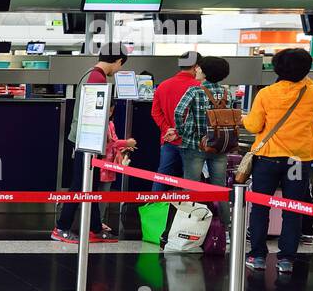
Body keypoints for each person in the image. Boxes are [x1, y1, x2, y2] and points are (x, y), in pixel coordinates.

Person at [242, 47, 313, 274]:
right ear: (306, 70)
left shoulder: (266, 94)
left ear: (277, 68)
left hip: (268, 159)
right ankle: (286, 260)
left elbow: (252, 126)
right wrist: (304, 78)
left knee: (260, 207)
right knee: (293, 209)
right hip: (298, 160)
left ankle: (257, 256)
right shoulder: (312, 93)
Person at [52, 52, 136, 243]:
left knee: (87, 185)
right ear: (118, 61)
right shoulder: (97, 78)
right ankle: (62, 227)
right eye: (120, 65)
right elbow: (95, 113)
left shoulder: (89, 73)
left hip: (84, 139)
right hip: (88, 140)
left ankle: (94, 228)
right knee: (80, 185)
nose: (118, 69)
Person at [173, 55, 233, 229]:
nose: (196, 70)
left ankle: (189, 227)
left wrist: (183, 131)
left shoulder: (194, 90)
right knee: (219, 188)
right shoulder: (226, 92)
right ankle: (226, 229)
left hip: (194, 145)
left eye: (199, 68)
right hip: (219, 146)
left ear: (205, 72)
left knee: (191, 187)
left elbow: (178, 112)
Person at [151, 51, 201, 191]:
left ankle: (152, 209)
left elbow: (155, 112)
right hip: (192, 144)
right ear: (196, 66)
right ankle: (187, 212)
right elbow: (198, 116)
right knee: (190, 182)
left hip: (169, 141)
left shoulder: (163, 85)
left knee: (162, 177)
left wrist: (167, 129)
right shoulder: (198, 87)